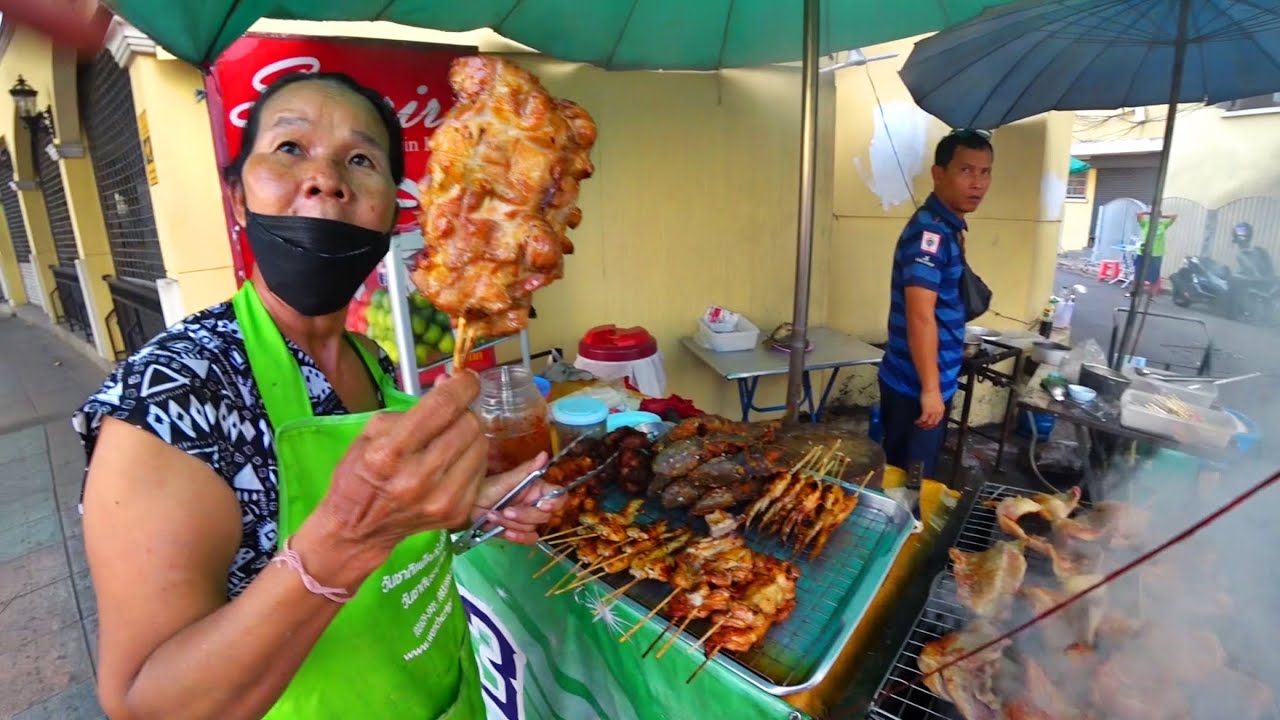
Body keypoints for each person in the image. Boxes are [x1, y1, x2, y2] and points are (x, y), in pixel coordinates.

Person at [73, 71, 564, 719]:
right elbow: (146, 706)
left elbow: (392, 535)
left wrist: (467, 507)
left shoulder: (368, 357)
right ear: (238, 198)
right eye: (290, 148)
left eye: (361, 160)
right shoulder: (170, 397)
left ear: (393, 213)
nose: (325, 179)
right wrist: (348, 539)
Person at [877, 129, 994, 480]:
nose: (978, 183)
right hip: (913, 388)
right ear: (938, 173)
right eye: (966, 170)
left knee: (916, 478)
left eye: (985, 172)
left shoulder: (947, 226)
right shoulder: (930, 235)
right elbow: (920, 315)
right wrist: (930, 390)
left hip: (930, 382)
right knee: (907, 483)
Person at [1130, 210, 1177, 296]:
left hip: (1156, 253)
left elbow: (1174, 216)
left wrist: (1161, 216)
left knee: (1154, 276)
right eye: (1153, 216)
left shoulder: (1162, 225)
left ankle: (1151, 295)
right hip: (1143, 252)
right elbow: (1138, 214)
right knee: (1138, 273)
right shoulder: (1146, 224)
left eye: (1156, 216)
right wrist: (1149, 213)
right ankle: (1134, 292)